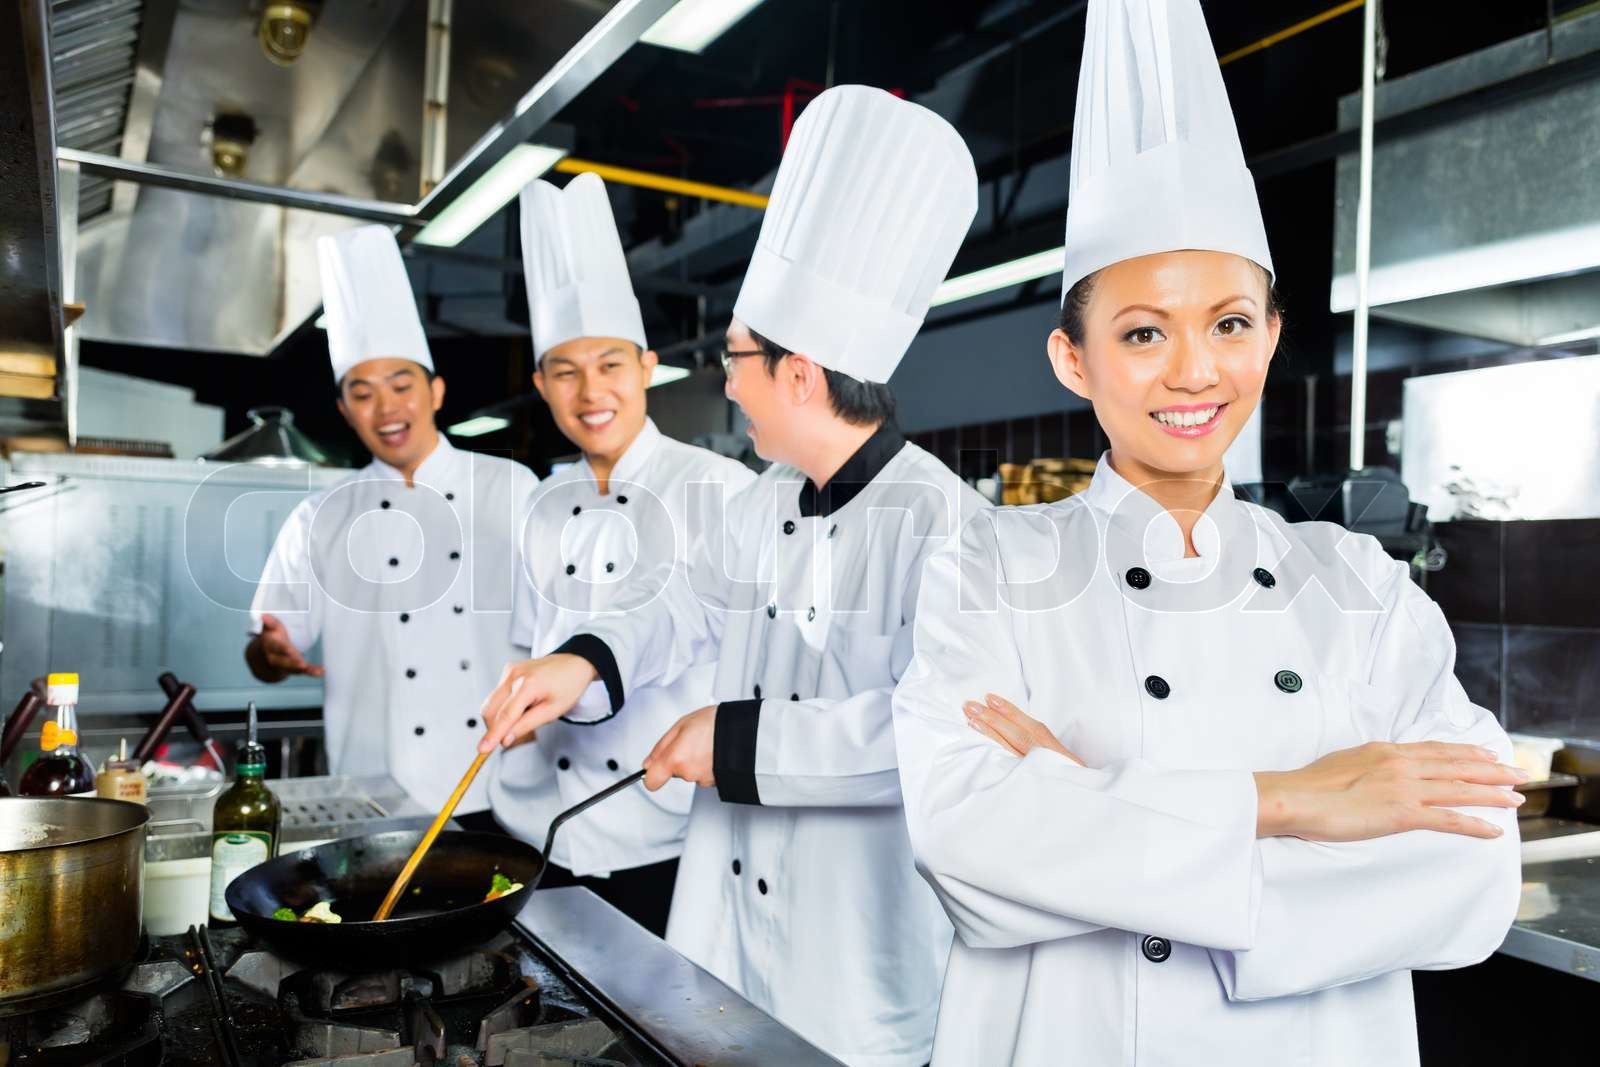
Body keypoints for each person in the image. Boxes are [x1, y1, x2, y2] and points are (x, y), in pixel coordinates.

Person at [889, 2, 1524, 1064]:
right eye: (1142, 332)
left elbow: (1470, 862)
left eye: (1229, 322)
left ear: (1270, 336)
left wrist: (1092, 817)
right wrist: (1298, 799)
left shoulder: (1355, 582)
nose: (1193, 372)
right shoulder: (989, 564)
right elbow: (969, 857)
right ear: (1072, 359)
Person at [479, 85, 983, 1066]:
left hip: (854, 960)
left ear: (799, 377)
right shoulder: (763, 496)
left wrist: (741, 738)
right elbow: (674, 599)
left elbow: (938, 732)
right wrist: (582, 659)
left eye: (737, 359)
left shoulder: (948, 524)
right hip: (723, 941)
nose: (726, 380)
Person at [485, 173, 755, 935]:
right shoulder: (541, 503)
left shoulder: (720, 488)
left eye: (609, 364)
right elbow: (527, 642)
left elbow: (720, 648)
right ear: (541, 383)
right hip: (538, 832)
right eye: (565, 371)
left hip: (658, 834)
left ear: (647, 365)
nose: (589, 390)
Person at [247, 225, 537, 814]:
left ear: (435, 391)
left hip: (499, 786)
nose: (386, 409)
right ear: (343, 409)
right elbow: (267, 650)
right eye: (362, 392)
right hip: (371, 793)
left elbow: (562, 627)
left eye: (401, 385)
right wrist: (271, 653)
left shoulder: (512, 488)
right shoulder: (320, 517)